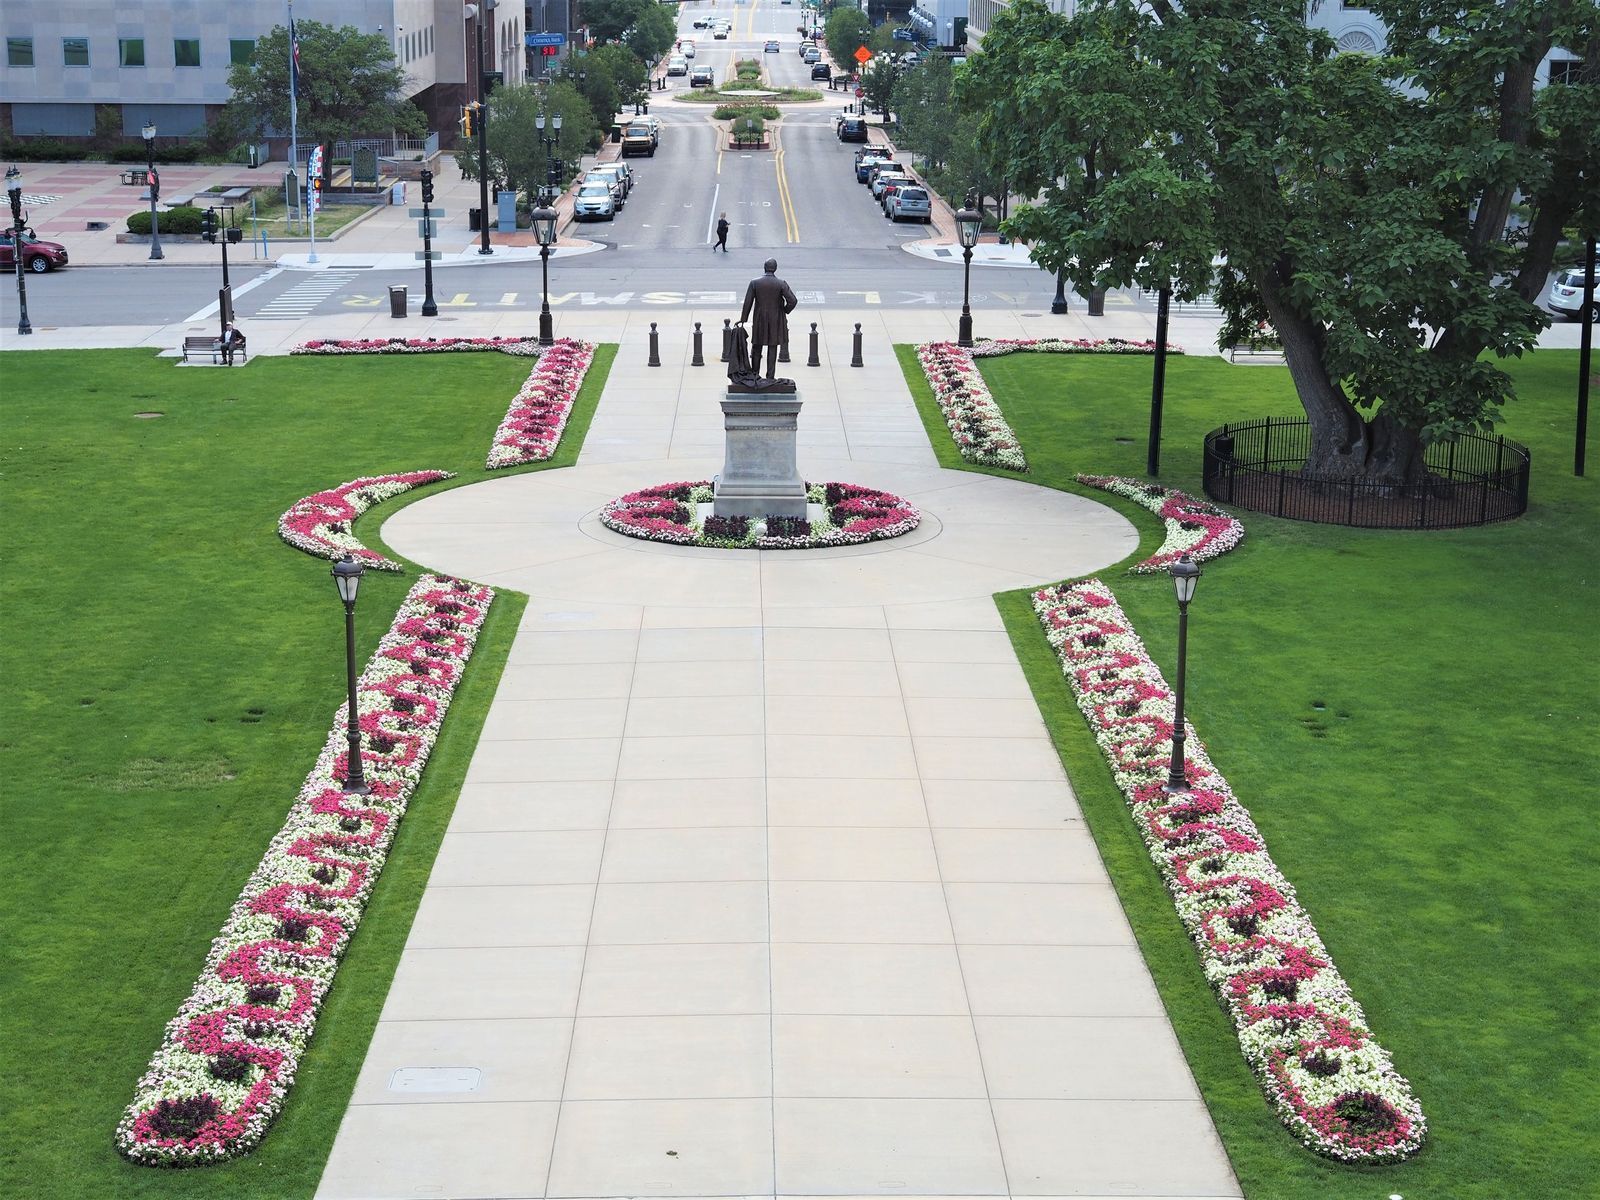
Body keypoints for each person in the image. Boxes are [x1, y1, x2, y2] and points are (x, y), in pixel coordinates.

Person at [738, 258, 798, 381]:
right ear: (775, 269)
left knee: (756, 347)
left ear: (764, 267)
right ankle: (770, 377)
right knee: (772, 347)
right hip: (775, 320)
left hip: (759, 319)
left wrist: (743, 319)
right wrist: (785, 310)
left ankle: (755, 374)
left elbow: (748, 303)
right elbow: (793, 300)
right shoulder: (781, 283)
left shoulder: (755, 283)